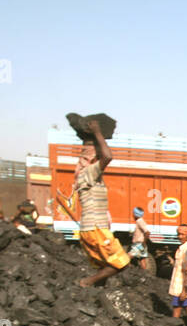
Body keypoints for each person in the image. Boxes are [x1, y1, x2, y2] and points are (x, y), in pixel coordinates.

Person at [55, 118, 130, 287]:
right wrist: (97, 132)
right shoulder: (88, 172)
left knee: (105, 266)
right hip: (96, 228)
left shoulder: (85, 174)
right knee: (122, 262)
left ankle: (96, 291)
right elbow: (108, 156)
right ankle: (85, 283)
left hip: (91, 229)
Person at [169, 223, 187, 325]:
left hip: (182, 288)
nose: (180, 236)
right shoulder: (183, 248)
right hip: (185, 288)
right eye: (178, 234)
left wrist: (184, 290)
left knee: (177, 310)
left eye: (182, 234)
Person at [129, 206, 150, 271]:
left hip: (138, 244)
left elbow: (147, 232)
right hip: (140, 244)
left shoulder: (139, 221)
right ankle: (145, 275)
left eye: (133, 213)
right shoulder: (141, 221)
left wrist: (143, 243)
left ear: (136, 214)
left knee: (128, 257)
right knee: (142, 259)